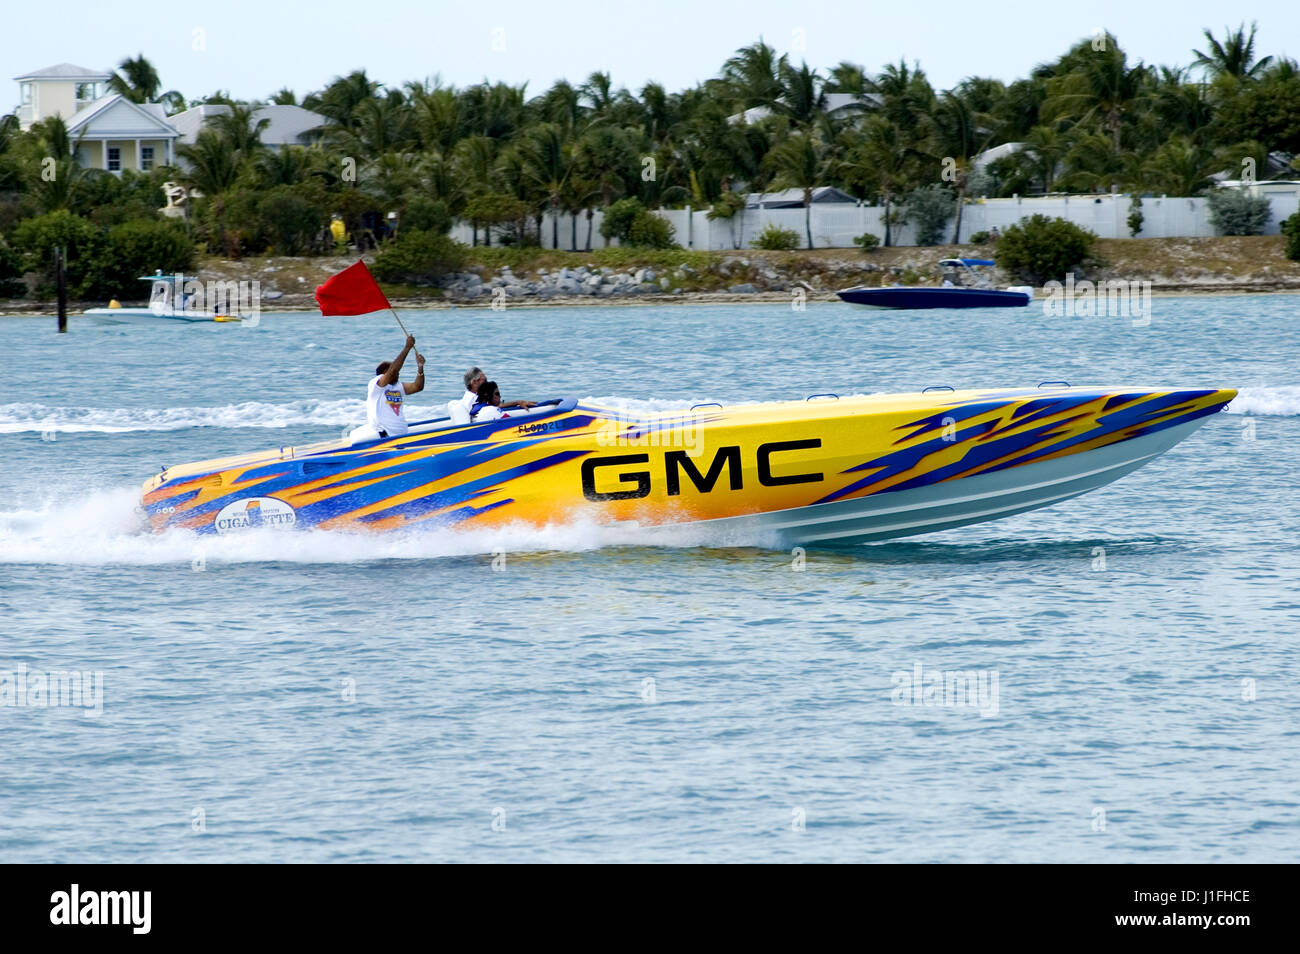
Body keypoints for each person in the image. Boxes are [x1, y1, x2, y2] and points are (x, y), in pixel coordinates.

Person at [367, 334, 425, 438]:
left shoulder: (397, 386)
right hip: (385, 437)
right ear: (384, 373)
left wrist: (420, 367)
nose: (398, 373)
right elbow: (393, 371)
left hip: (402, 435)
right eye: (396, 372)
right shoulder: (376, 385)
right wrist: (407, 348)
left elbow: (418, 387)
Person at [458, 365, 537, 415]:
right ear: (475, 382)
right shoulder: (473, 398)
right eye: (485, 381)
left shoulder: (467, 397)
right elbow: (495, 407)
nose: (487, 383)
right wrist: (518, 402)